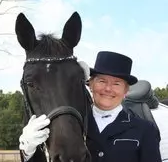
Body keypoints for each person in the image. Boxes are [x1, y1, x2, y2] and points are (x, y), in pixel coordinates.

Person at [19, 51, 162, 162]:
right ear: (90, 85)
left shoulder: (145, 130)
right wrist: (28, 151)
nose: (108, 88)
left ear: (125, 91)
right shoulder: (70, 124)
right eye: (101, 81)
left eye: (116, 83)